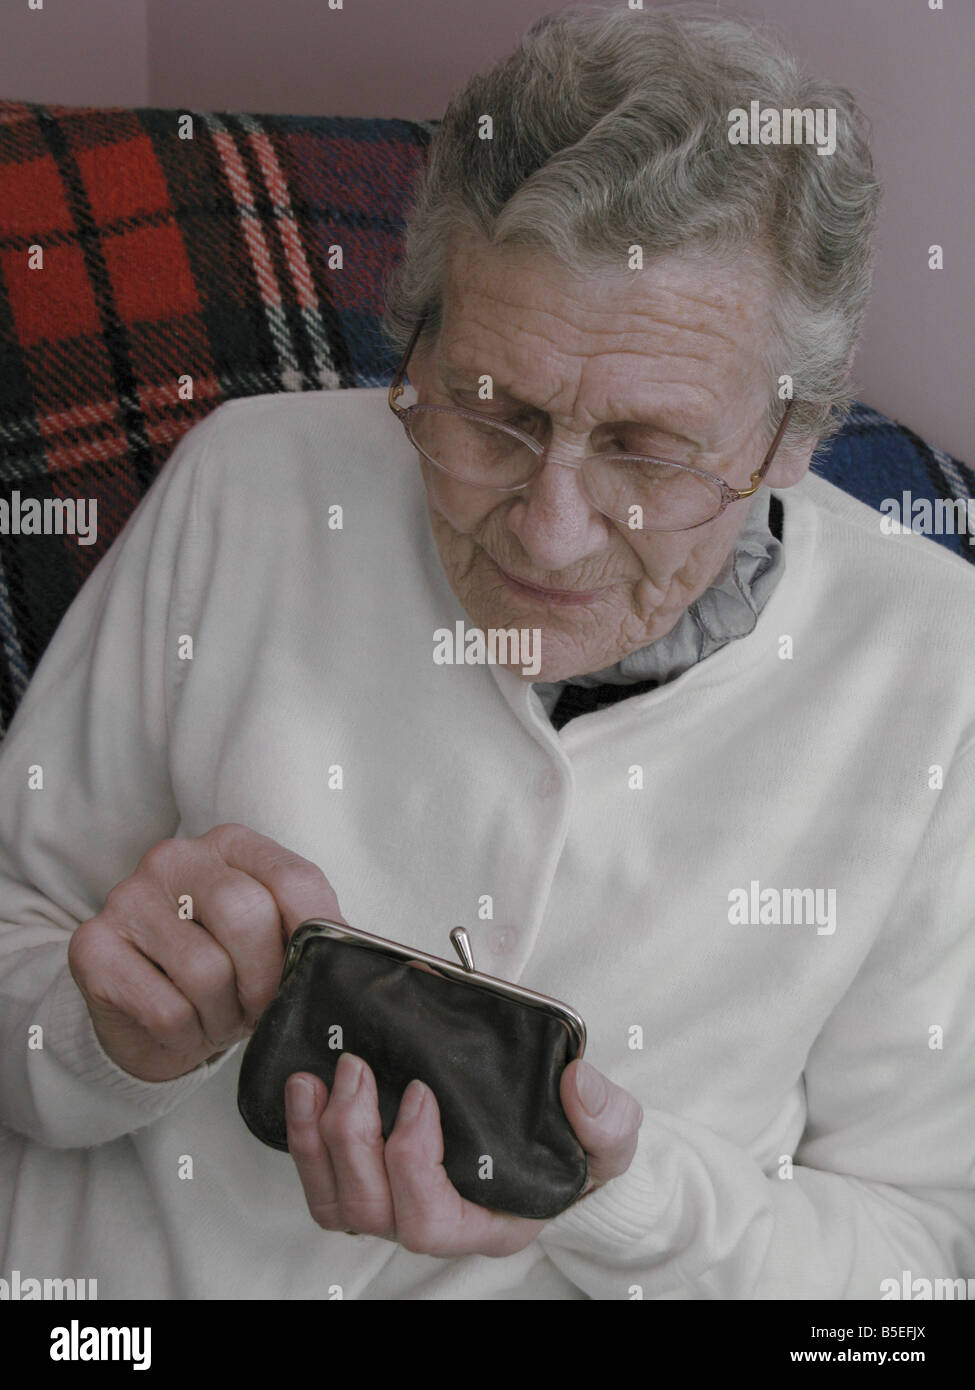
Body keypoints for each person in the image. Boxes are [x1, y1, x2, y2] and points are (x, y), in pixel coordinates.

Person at [1, 5, 973, 1301]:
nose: (552, 533)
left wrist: (612, 1189)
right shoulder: (252, 479)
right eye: (487, 410)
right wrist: (100, 1033)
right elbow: (20, 948)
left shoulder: (935, 665)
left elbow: (916, 1276)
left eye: (645, 449)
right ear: (420, 332)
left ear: (799, 430)